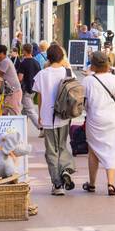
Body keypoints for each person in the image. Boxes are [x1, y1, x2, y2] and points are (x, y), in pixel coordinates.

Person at [34, 42, 77, 195]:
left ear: (48, 57)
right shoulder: (68, 72)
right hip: (65, 116)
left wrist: (39, 115)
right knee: (63, 146)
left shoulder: (42, 74)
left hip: (47, 117)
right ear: (61, 56)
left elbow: (39, 97)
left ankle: (57, 184)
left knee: (51, 150)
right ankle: (65, 169)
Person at [80, 50, 115, 195]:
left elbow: (83, 102)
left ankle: (92, 183)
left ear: (92, 65)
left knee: (93, 151)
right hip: (112, 119)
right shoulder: (114, 79)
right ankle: (111, 184)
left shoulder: (87, 81)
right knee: (112, 149)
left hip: (95, 119)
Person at [0, 44, 40, 129]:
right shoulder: (36, 62)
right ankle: (15, 129)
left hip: (17, 90)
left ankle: (40, 127)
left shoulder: (21, 62)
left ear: (24, 51)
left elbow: (19, 78)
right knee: (15, 110)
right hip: (32, 89)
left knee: (23, 111)